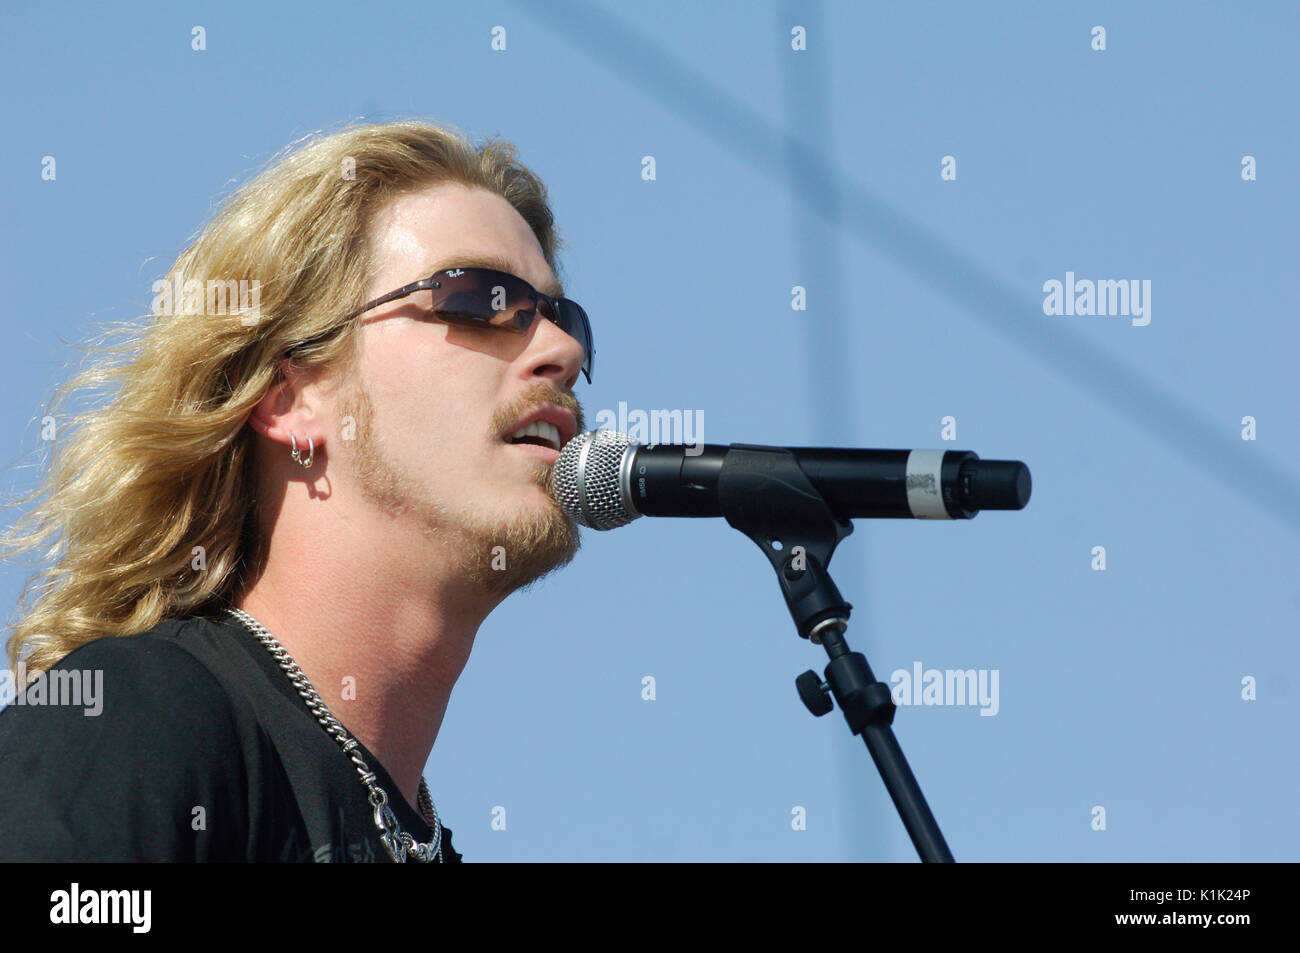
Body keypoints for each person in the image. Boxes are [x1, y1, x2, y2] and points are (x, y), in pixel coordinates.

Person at [0, 119, 594, 862]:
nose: (561, 351)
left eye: (564, 318)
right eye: (482, 298)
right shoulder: (141, 720)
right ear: (290, 395)